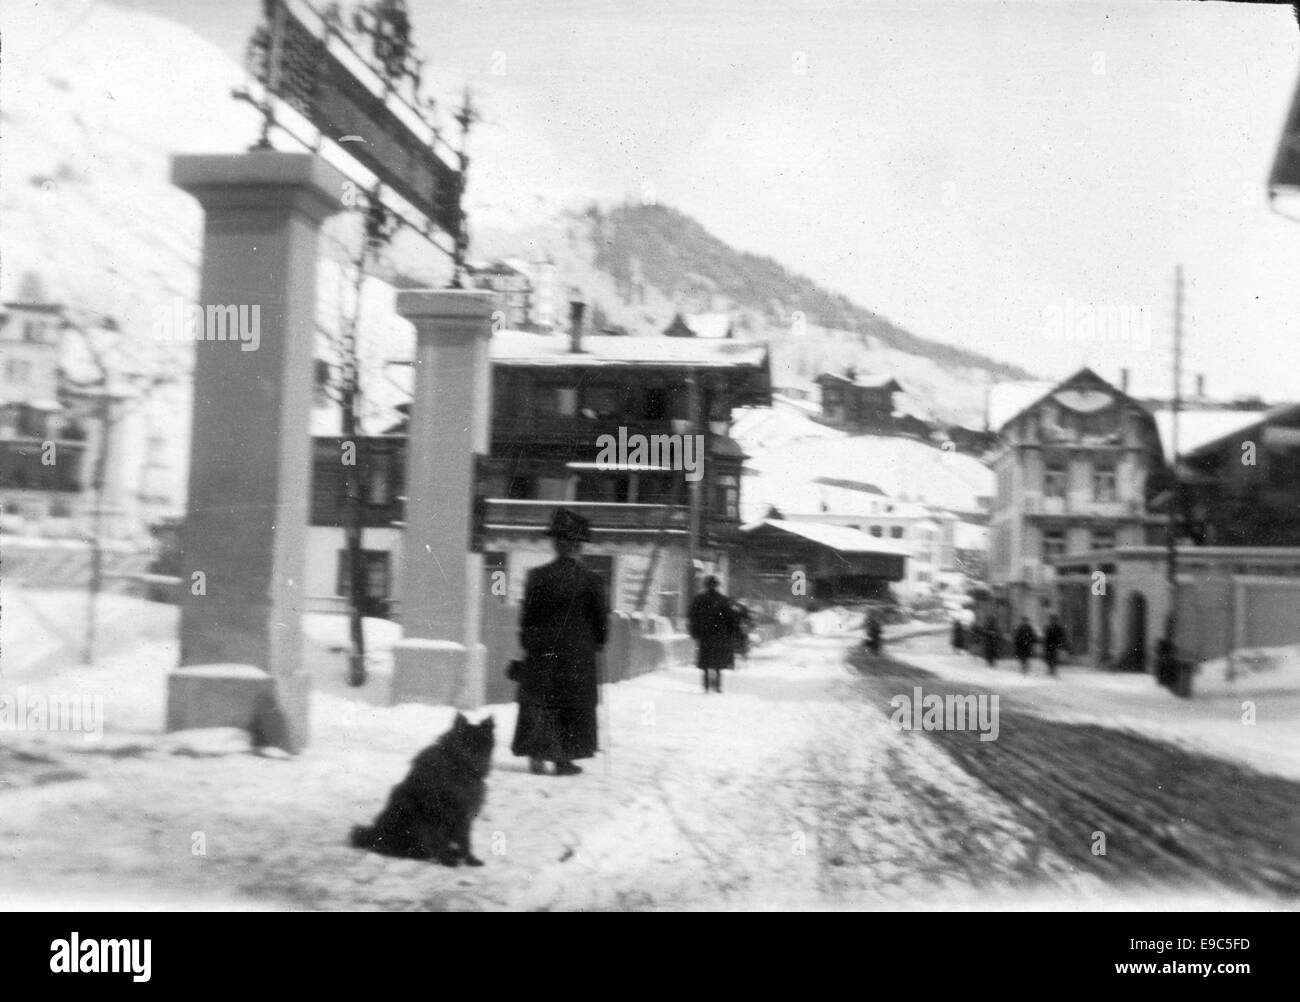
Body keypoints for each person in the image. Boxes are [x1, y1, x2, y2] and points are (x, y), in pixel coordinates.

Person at [511, 507, 608, 776]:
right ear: (578, 546)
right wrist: (598, 642)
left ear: (555, 544)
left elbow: (526, 619)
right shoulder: (591, 581)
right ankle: (564, 759)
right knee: (572, 704)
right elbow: (601, 622)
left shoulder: (536, 577)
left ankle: (536, 754)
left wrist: (529, 642)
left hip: (542, 651)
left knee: (541, 702)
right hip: (577, 653)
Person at [689, 576, 738, 693]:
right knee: (718, 661)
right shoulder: (723, 600)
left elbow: (692, 617)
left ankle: (706, 685)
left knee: (705, 661)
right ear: (717, 585)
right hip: (720, 635)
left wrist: (695, 632)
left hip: (705, 635)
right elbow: (731, 618)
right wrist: (731, 633)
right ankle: (717, 686)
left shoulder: (698, 599)